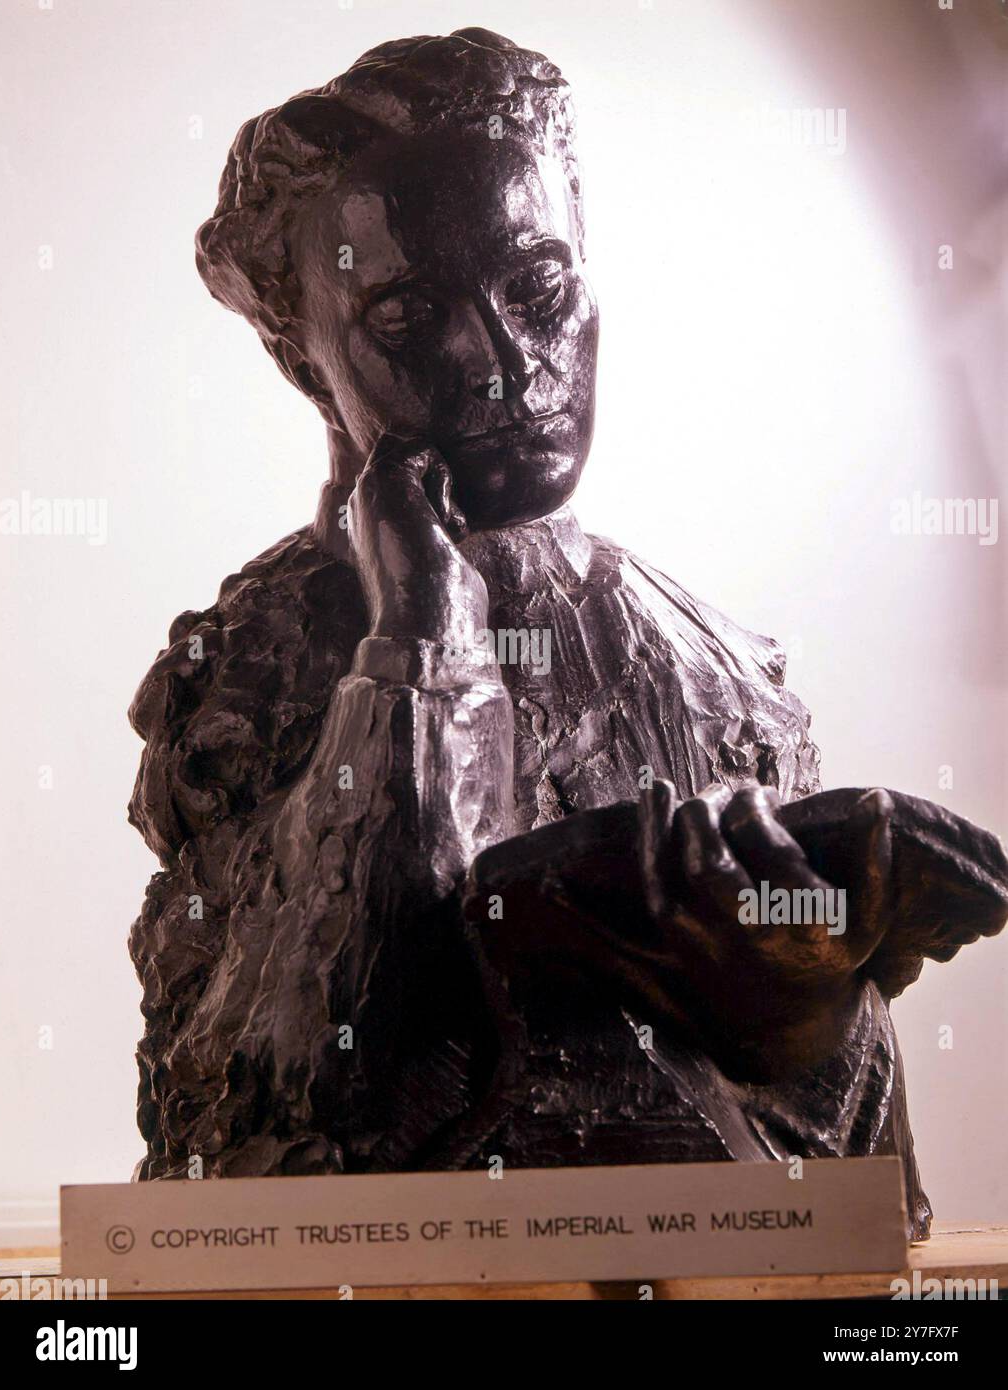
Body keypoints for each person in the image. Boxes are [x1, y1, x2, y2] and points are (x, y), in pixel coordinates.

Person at [129, 30, 950, 1237]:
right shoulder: (241, 671)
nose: (503, 362)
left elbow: (863, 1184)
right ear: (304, 355)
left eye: (539, 287)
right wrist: (419, 648)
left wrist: (800, 1014)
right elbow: (265, 1121)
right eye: (406, 314)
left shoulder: (721, 673)